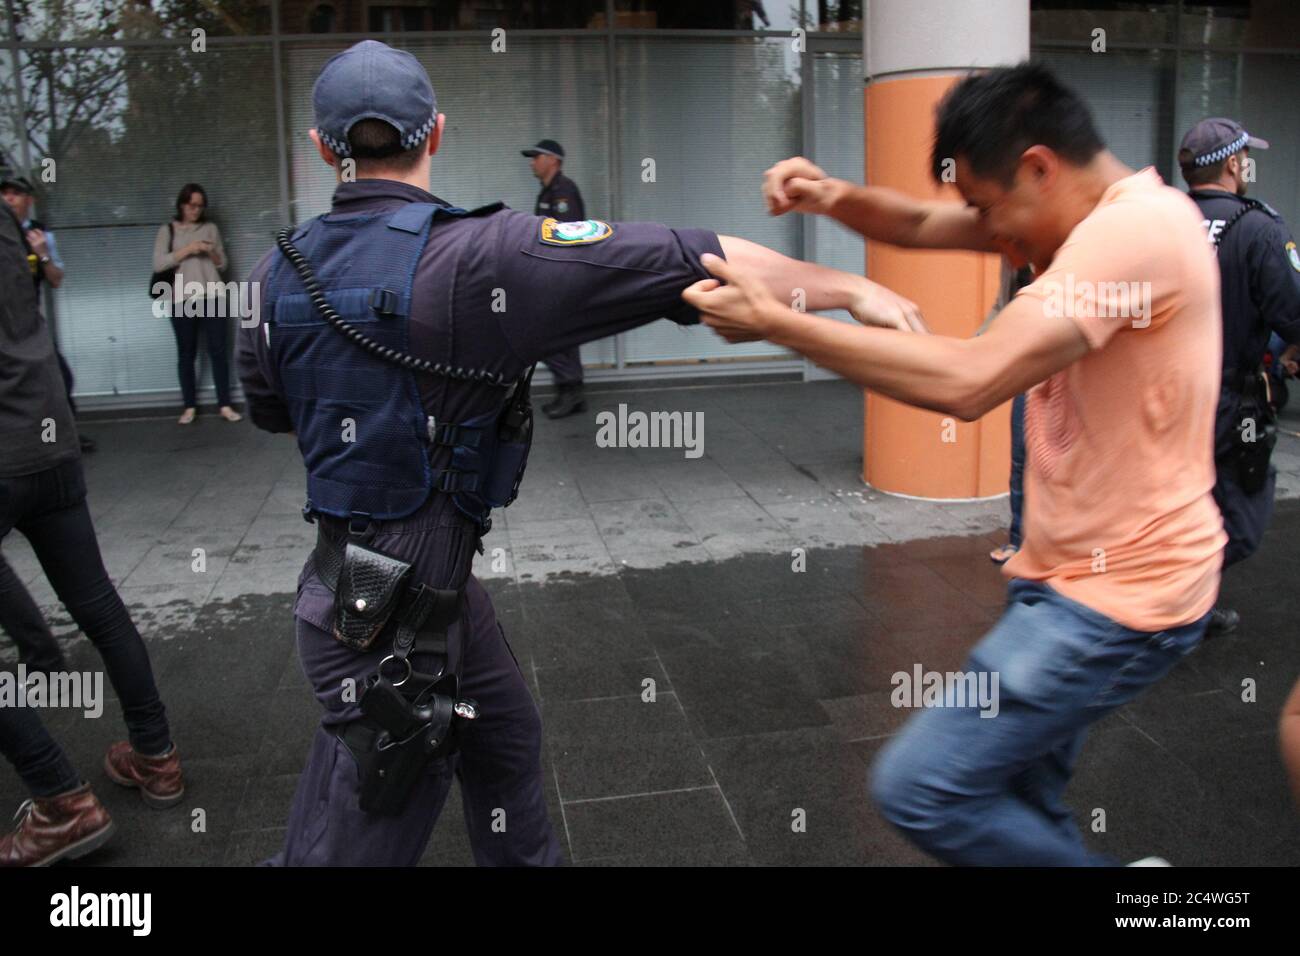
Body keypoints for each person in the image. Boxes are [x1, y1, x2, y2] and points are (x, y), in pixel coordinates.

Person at [237, 39, 920, 867]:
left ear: (321, 147)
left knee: (504, 738)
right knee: (353, 842)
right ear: (438, 134)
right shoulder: (482, 256)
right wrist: (853, 289)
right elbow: (696, 258)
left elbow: (272, 412)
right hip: (394, 630)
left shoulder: (279, 273)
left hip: (370, 589)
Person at [685, 62, 1226, 865]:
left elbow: (972, 381)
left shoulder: (1135, 234)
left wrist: (780, 321)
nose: (988, 236)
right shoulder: (1071, 213)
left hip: (1125, 594)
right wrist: (827, 195)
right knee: (1019, 803)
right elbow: (918, 225)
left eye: (986, 207)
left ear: (1040, 166)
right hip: (1067, 579)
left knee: (920, 787)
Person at [0, 198, 184, 866]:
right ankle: (157, 756)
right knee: (100, 605)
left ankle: (62, 802)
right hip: (48, 436)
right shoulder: (9, 222)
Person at [1178, 118, 1300, 635]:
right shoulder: (1259, 228)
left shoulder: (1164, 222)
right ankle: (1169, 595)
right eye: (1247, 156)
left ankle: (1187, 607)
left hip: (1165, 399)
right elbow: (1294, 311)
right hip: (1229, 405)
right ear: (1233, 164)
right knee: (1243, 521)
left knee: (1186, 503)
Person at [0, 174, 95, 455]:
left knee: (59, 378)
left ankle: (60, 435)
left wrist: (42, 254)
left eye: (15, 194)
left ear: (29, 200)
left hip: (27, 325)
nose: (8, 199)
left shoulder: (40, 235)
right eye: (4, 193)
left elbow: (55, 279)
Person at [153, 183, 242, 426]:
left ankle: (224, 404)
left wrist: (210, 252)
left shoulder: (211, 228)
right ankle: (189, 406)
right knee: (186, 353)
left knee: (219, 351)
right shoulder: (168, 230)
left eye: (200, 206)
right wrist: (189, 249)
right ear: (182, 204)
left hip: (212, 296)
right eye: (192, 205)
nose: (196, 211)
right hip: (181, 299)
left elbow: (222, 264)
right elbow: (159, 264)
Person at [521, 139, 589, 419]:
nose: (532, 161)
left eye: (536, 156)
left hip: (562, 274)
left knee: (553, 334)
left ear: (553, 160)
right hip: (551, 274)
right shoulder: (548, 191)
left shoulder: (563, 193)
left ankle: (572, 392)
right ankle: (570, 393)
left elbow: (568, 237)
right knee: (558, 335)